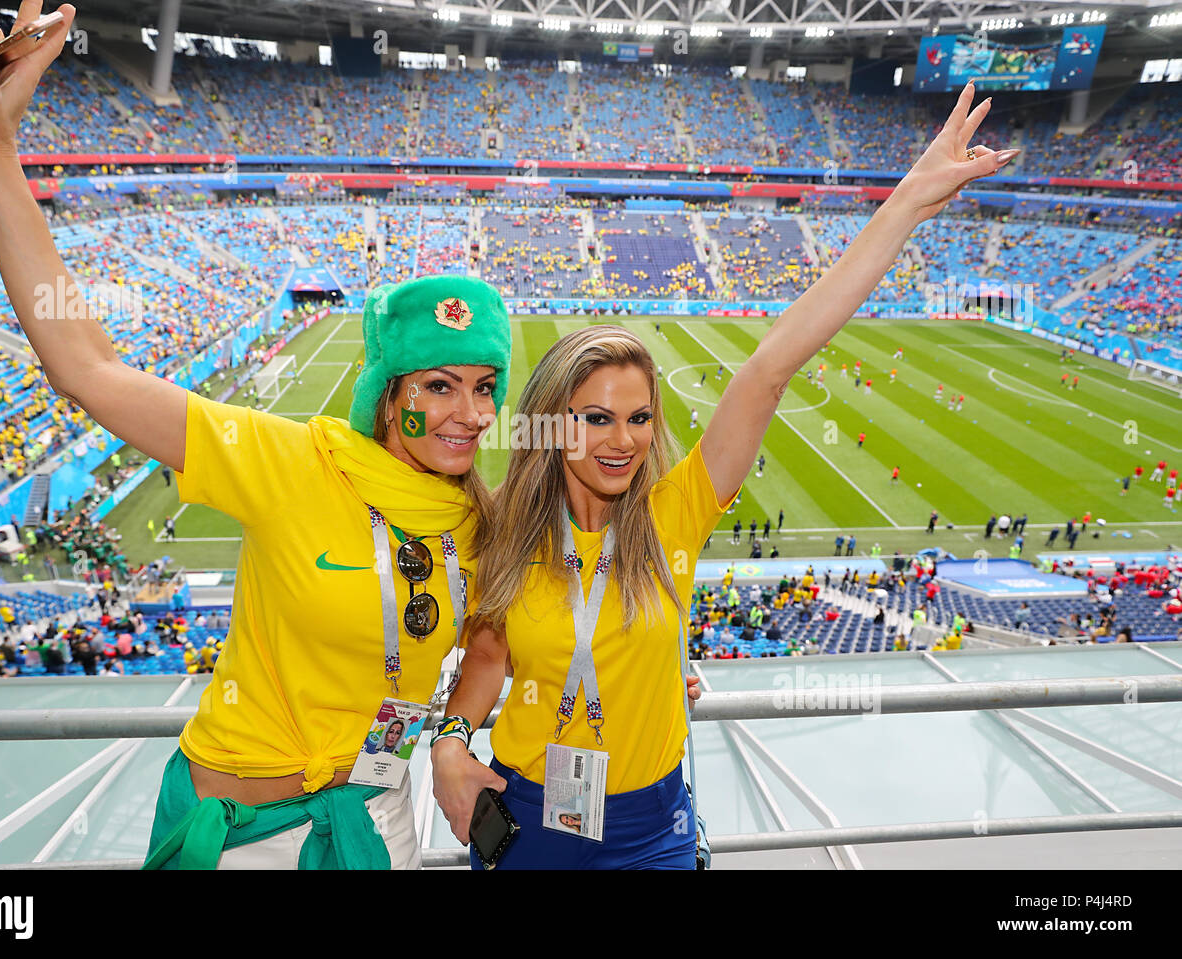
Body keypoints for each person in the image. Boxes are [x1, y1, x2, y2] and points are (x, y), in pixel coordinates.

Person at [0, 5, 514, 871]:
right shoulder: (290, 462)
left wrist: (457, 734)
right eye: (438, 386)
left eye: (483, 388)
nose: (468, 413)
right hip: (240, 829)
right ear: (387, 391)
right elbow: (85, 366)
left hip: (380, 823)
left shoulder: (481, 517)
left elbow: (493, 641)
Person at [429, 79, 1009, 869]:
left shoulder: (675, 509)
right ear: (554, 422)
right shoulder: (504, 530)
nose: (622, 440)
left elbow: (771, 366)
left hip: (651, 827)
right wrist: (449, 743)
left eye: (638, 418)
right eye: (596, 417)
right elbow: (488, 659)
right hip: (528, 817)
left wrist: (906, 201)